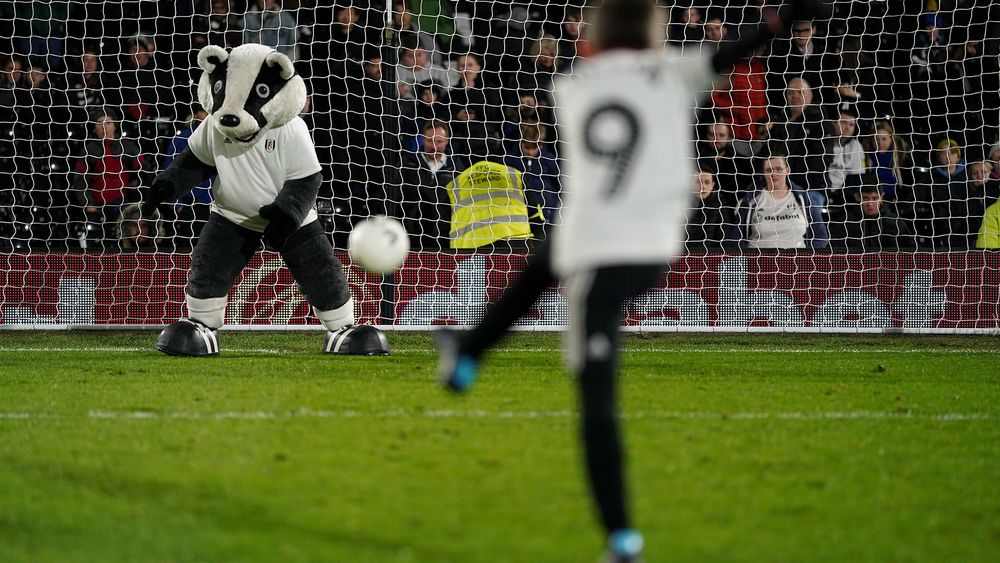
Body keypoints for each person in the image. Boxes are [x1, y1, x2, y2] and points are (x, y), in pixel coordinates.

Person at [435, 1, 829, 561]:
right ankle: (469, 353)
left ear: (591, 46)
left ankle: (620, 537)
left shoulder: (572, 86)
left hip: (600, 250)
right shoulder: (673, 72)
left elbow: (540, 66)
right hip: (654, 246)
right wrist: (782, 20)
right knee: (550, 255)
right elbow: (732, 51)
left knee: (594, 389)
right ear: (656, 43)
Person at [728, 152, 830, 250]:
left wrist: (806, 256)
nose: (774, 174)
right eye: (769, 170)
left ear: (787, 170)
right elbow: (735, 237)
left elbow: (821, 235)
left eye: (779, 169)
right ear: (763, 173)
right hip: (758, 263)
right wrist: (748, 259)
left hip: (797, 263)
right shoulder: (751, 199)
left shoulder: (802, 198)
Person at [837, 177, 916, 252]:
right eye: (865, 198)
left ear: (881, 198)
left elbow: (911, 249)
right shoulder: (847, 222)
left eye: (875, 198)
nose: (870, 204)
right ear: (858, 198)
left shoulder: (894, 222)